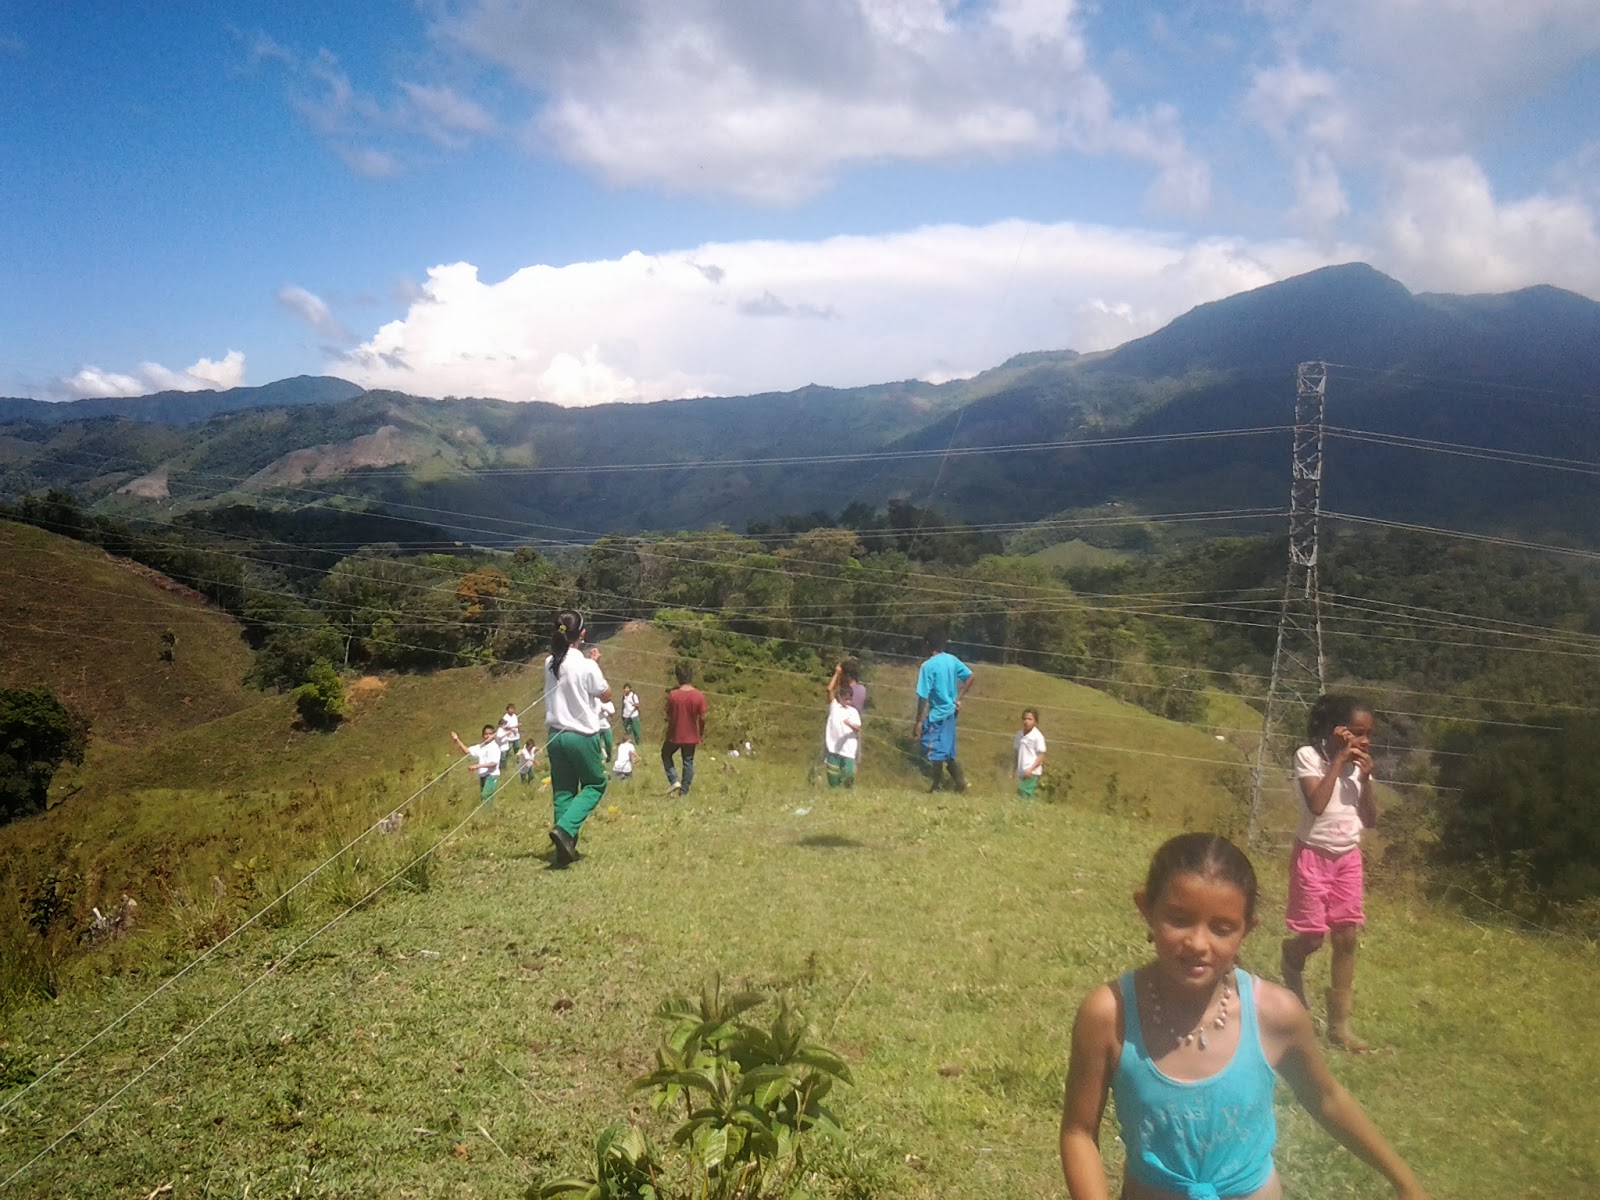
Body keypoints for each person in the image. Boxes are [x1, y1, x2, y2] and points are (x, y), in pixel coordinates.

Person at [1060, 832, 1428, 1200]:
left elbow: (1326, 1097)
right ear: (1146, 909)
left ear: (1246, 930)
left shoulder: (1275, 1014)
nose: (1198, 944)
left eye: (1222, 928)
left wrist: (1405, 1182)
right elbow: (1079, 1131)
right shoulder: (1110, 1014)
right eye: (1179, 919)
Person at [1281, 694, 1380, 1052]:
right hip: (1313, 856)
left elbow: (1369, 820)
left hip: (1347, 858)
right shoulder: (1308, 757)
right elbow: (1317, 805)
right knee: (1312, 939)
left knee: (1347, 937)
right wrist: (1338, 760)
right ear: (1335, 731)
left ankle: (1340, 1026)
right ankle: (1291, 960)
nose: (1365, 741)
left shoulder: (1359, 769)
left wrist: (1365, 780)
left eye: (1369, 734)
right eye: (1357, 732)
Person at [543, 610, 612, 867]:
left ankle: (565, 847)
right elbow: (605, 695)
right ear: (582, 634)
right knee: (595, 784)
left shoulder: (550, 662)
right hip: (581, 735)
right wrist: (595, 663)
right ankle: (565, 830)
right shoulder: (586, 665)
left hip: (555, 736)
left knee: (563, 791)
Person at [912, 632, 973, 792]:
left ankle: (938, 785)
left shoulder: (928, 666)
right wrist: (958, 698)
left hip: (938, 714)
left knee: (932, 748)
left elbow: (923, 696)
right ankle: (960, 783)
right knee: (948, 751)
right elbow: (970, 676)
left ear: (927, 645)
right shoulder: (951, 660)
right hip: (951, 713)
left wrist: (918, 721)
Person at [662, 662, 708, 797]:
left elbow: (668, 714)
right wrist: (700, 732)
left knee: (666, 754)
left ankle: (674, 779)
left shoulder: (673, 695)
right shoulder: (699, 695)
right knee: (688, 761)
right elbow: (703, 717)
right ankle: (684, 792)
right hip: (692, 735)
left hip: (675, 734)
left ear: (678, 677)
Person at [824, 664, 862, 788]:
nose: (848, 702)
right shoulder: (834, 706)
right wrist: (837, 673)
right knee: (833, 780)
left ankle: (847, 797)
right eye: (845, 699)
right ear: (839, 697)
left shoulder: (853, 712)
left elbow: (858, 728)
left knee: (849, 776)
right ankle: (834, 798)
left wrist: (850, 724)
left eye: (850, 699)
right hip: (834, 749)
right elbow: (829, 689)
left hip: (848, 750)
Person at [450, 724, 503, 805]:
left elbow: (494, 764)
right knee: (484, 798)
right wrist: (457, 739)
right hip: (482, 775)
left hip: (491, 775)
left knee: (485, 796)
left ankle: (487, 814)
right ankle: (489, 814)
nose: (487, 736)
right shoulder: (481, 746)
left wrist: (477, 766)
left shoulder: (495, 747)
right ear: (482, 735)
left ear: (493, 735)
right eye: (485, 734)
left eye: (490, 734)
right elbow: (467, 751)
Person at [1014, 707, 1047, 799]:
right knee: (1021, 794)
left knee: (1024, 791)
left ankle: (1026, 811)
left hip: (1031, 771)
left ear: (1035, 721)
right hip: (1021, 770)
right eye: (1025, 719)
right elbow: (1017, 753)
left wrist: (1031, 769)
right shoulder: (1019, 734)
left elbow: (1041, 755)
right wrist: (1014, 769)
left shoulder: (1037, 736)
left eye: (1030, 719)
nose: (1026, 721)